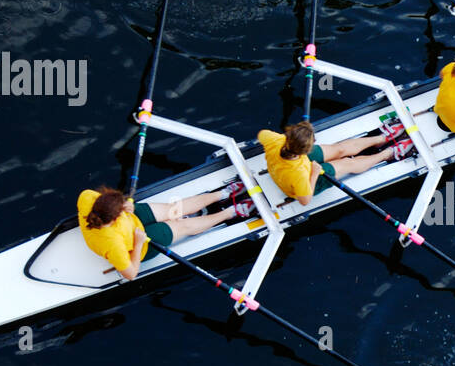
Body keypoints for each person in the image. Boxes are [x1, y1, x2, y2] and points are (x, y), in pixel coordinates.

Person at [78, 185, 246, 281]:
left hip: (132, 219)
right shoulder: (112, 244)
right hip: (140, 243)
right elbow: (130, 274)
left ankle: (223, 193)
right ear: (114, 219)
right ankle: (230, 212)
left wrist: (126, 206)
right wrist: (138, 244)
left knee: (174, 210)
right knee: (182, 226)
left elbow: (112, 204)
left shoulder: (87, 198)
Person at [257, 120, 408, 206]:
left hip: (292, 159)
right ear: (303, 151)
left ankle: (380, 139)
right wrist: (314, 174)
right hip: (305, 180)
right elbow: (305, 200)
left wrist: (298, 138)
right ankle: (386, 154)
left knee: (339, 149)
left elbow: (262, 134)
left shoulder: (275, 140)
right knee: (346, 163)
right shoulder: (299, 177)